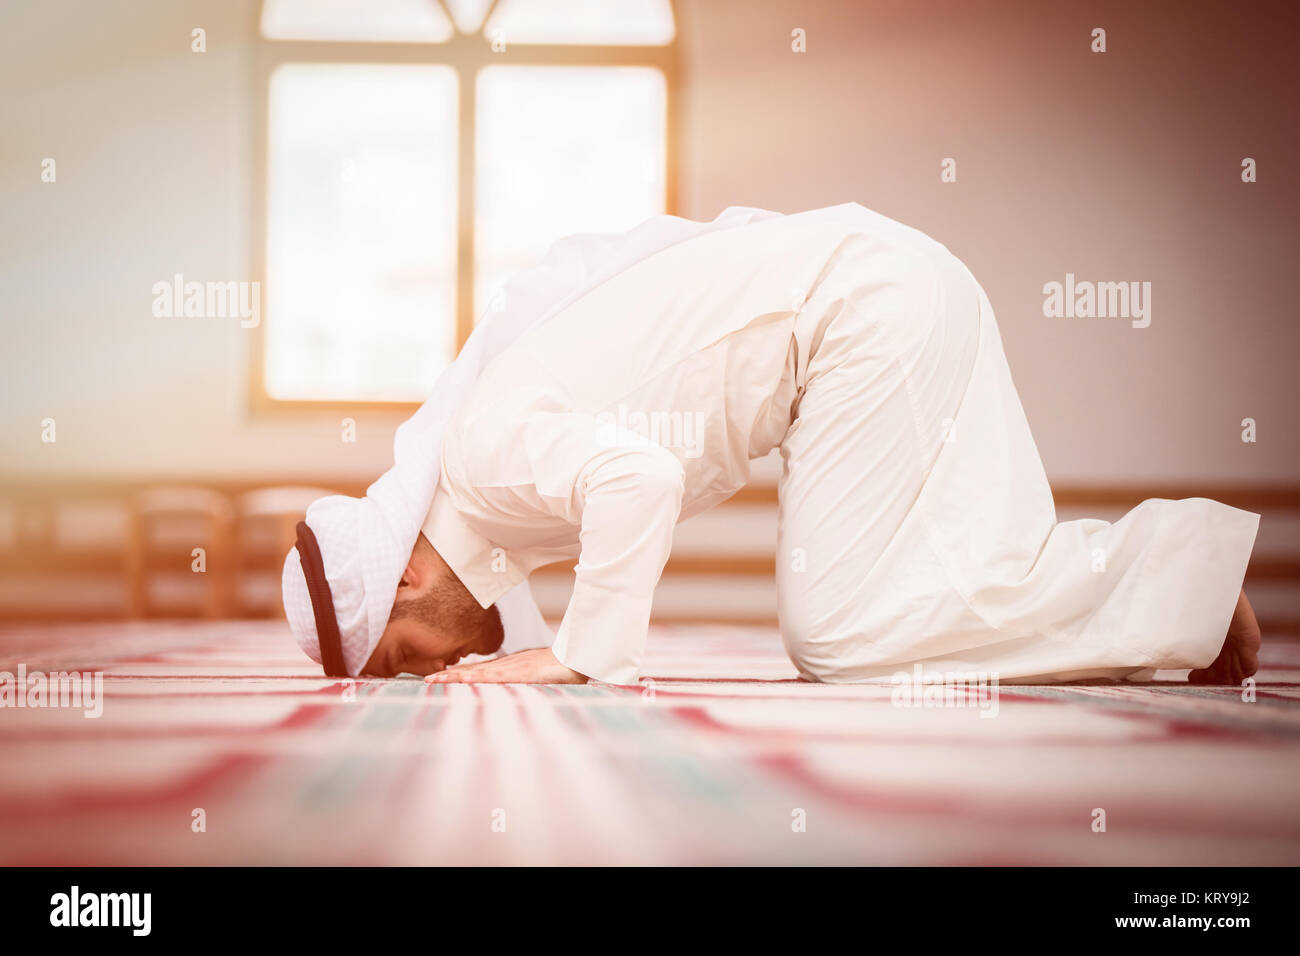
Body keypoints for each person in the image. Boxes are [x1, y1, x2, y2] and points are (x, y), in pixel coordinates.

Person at [282, 203, 1260, 687]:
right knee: (890, 605)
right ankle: (1176, 594)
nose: (430, 671)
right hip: (858, 322)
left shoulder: (481, 459)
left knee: (834, 634)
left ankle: (1173, 573)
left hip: (863, 312)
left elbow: (641, 472)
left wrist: (579, 657)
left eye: (404, 657)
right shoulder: (490, 506)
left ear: (408, 578)